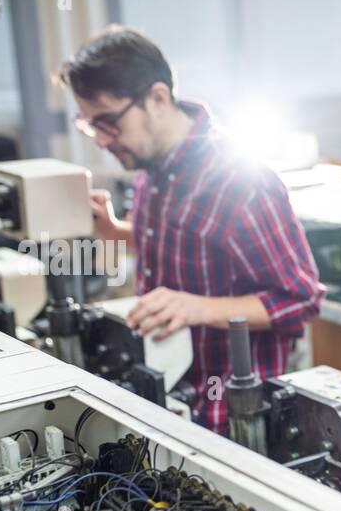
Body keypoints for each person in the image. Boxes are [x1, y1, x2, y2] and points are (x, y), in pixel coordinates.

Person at [58, 26, 323, 434]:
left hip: (229, 416)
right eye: (91, 126)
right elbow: (189, 249)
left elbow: (300, 300)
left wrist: (199, 308)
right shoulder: (151, 168)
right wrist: (116, 231)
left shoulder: (239, 181)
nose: (103, 141)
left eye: (109, 123)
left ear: (158, 98)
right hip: (167, 392)